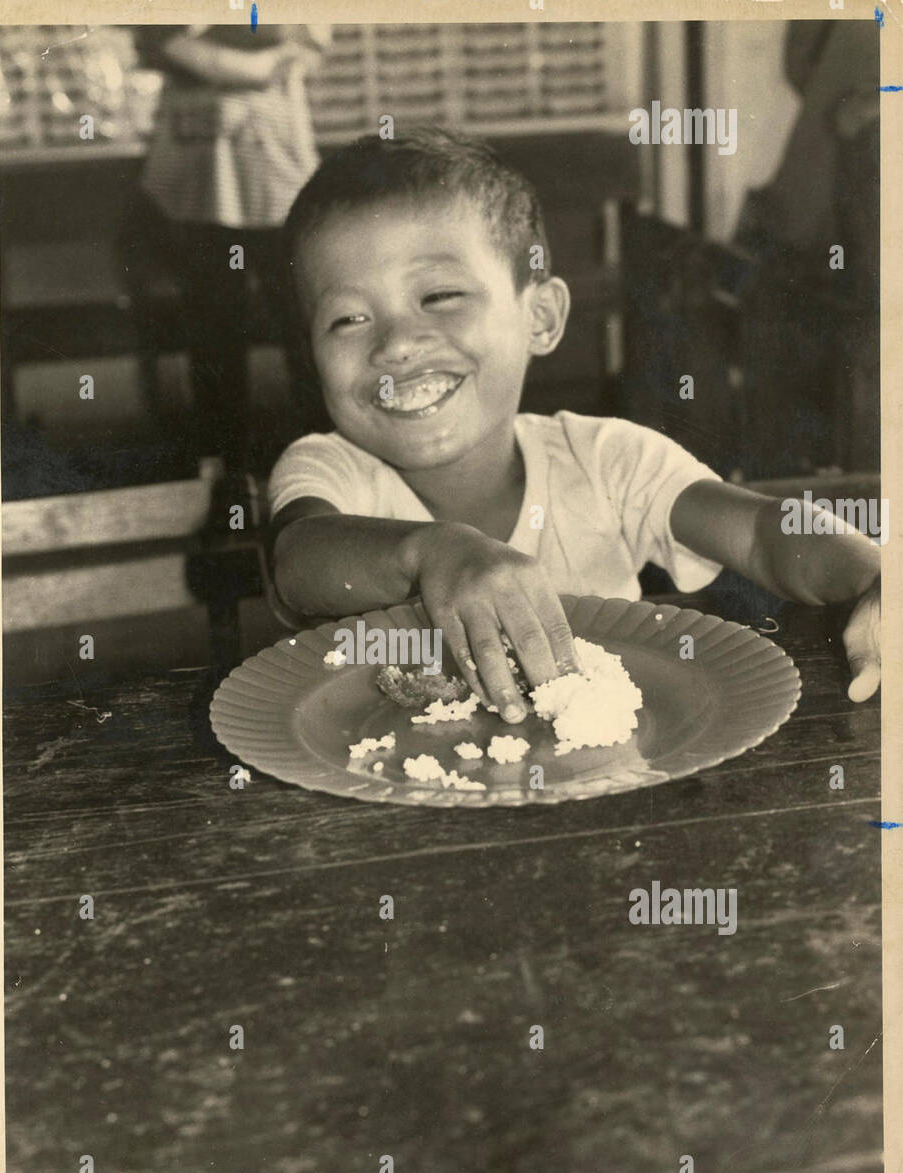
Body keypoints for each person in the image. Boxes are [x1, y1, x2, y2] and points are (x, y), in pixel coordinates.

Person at [267, 130, 880, 723]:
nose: (397, 344)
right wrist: (434, 551)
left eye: (441, 296)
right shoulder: (327, 468)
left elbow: (762, 533)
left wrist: (873, 575)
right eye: (348, 318)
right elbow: (299, 562)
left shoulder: (609, 461)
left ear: (540, 317)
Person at [131, 23, 330, 469]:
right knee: (213, 326)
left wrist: (241, 56)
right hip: (201, 178)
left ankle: (329, 459)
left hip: (277, 172)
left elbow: (304, 45)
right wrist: (254, 60)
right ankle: (224, 467)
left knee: (302, 321)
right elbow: (170, 44)